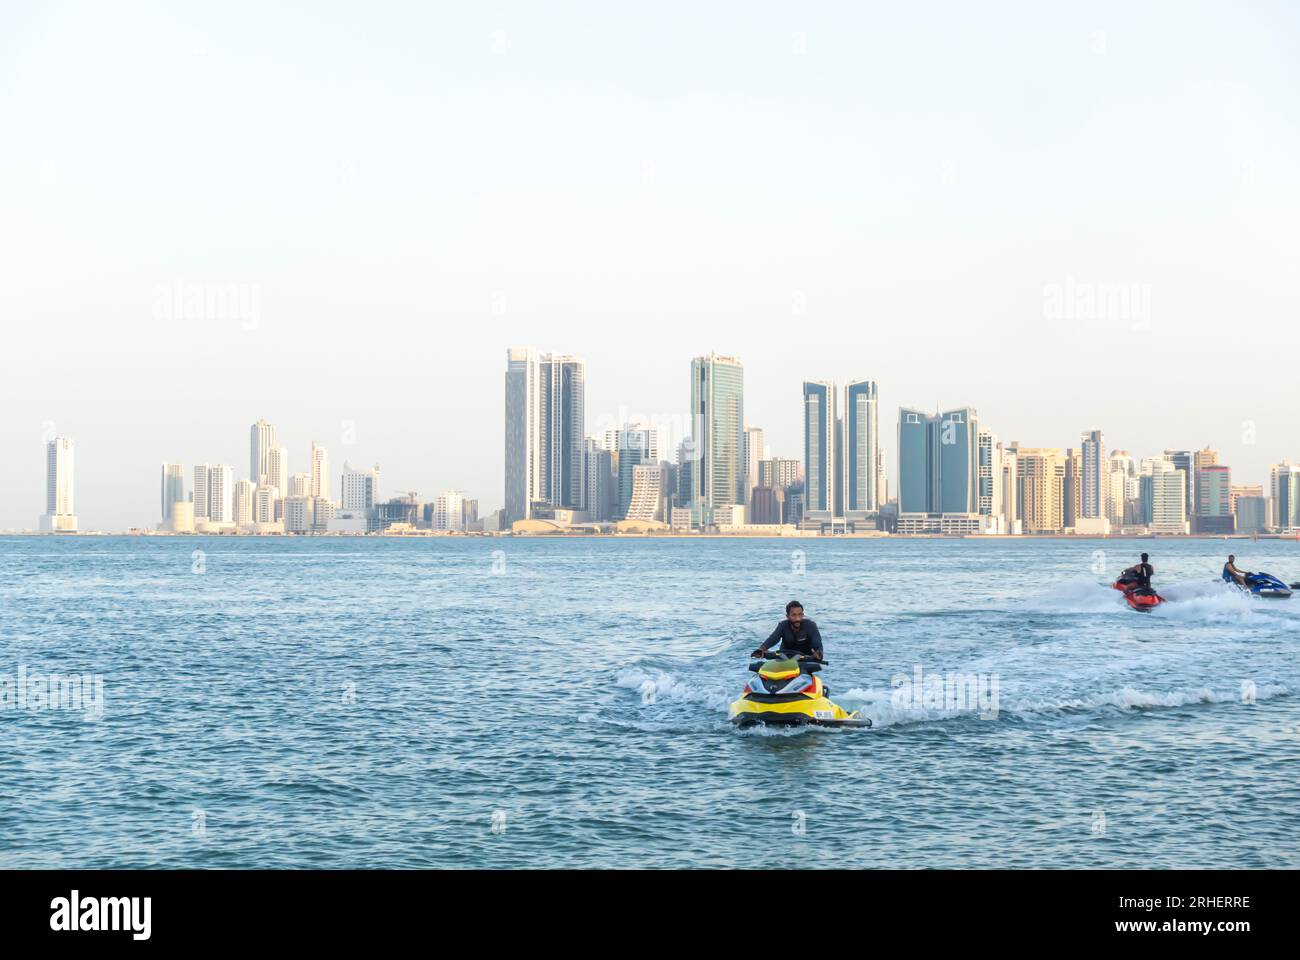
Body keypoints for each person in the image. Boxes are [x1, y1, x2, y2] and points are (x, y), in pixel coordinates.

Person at [751, 600, 824, 661]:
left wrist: (818, 654)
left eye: (800, 614)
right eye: (794, 615)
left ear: (803, 614)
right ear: (787, 616)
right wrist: (761, 650)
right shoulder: (783, 625)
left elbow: (817, 645)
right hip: (785, 657)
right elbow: (773, 639)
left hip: (805, 658)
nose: (797, 618)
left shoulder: (811, 626)